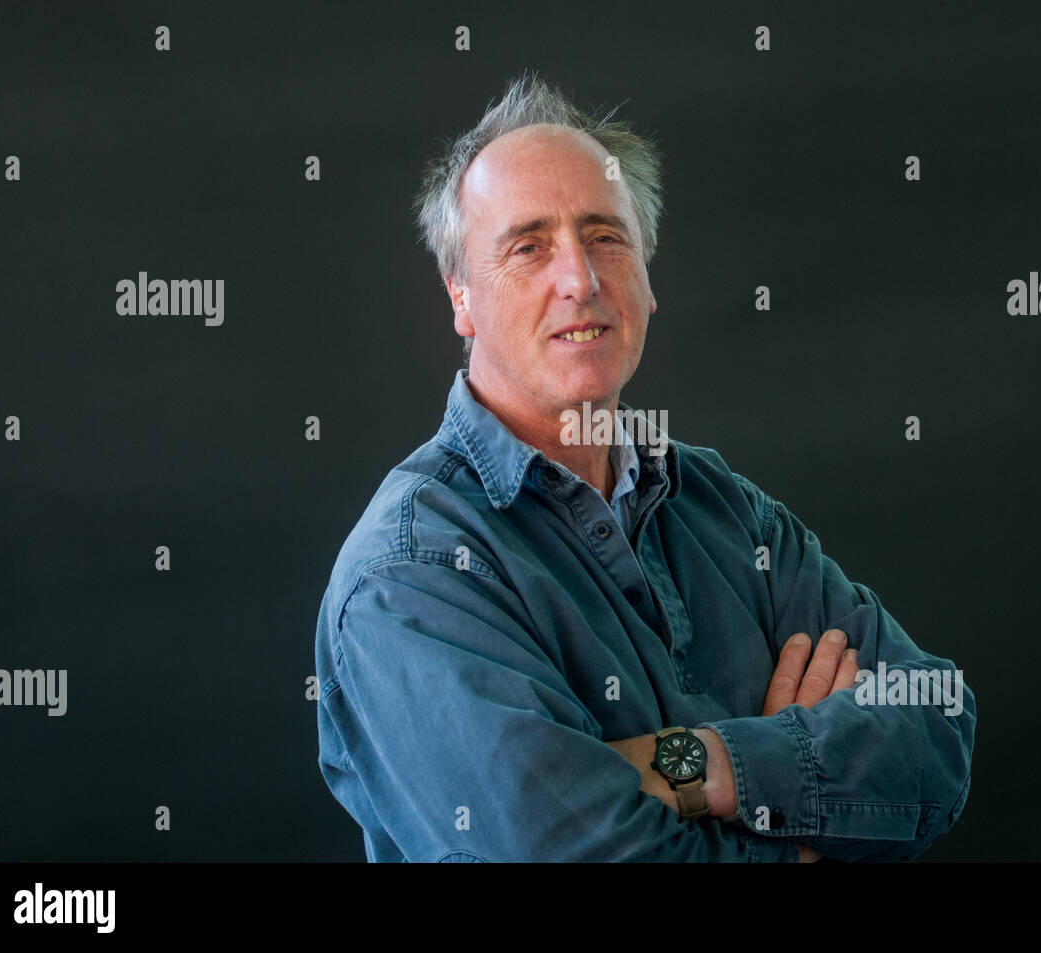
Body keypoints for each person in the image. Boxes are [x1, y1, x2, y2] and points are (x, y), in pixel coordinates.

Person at [314, 72, 975, 862]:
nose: (581, 279)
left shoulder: (725, 508)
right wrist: (813, 824)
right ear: (460, 297)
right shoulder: (409, 575)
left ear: (648, 277)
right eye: (528, 246)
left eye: (605, 236)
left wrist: (701, 765)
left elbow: (939, 730)